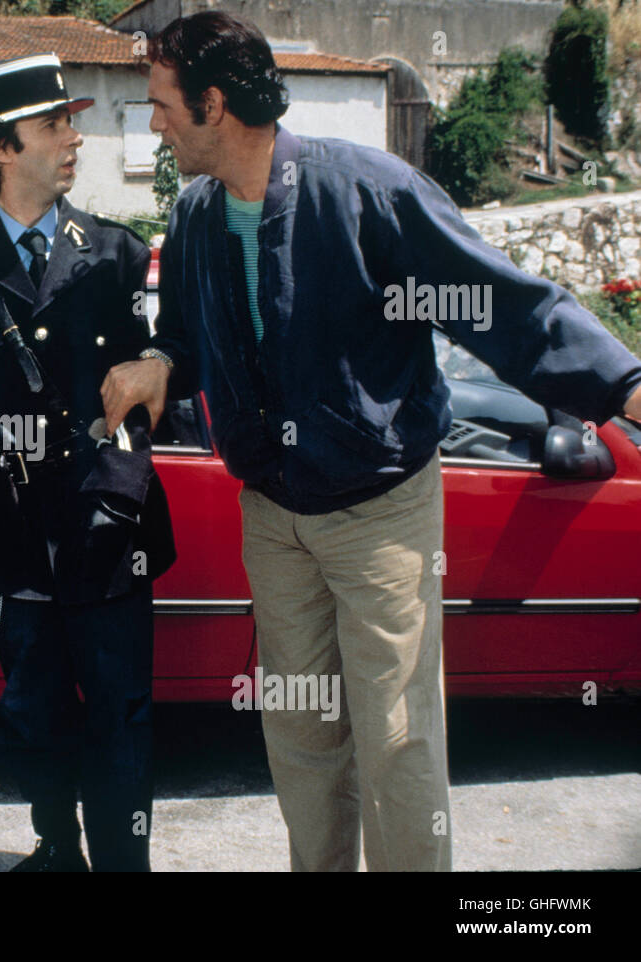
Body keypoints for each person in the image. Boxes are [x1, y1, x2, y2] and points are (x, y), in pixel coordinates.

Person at [102, 11, 641, 871]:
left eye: (161, 104)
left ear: (214, 103)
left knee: (396, 738)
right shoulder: (201, 214)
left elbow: (499, 301)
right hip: (273, 518)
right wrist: (162, 362)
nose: (154, 123)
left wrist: (623, 383)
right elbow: (190, 336)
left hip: (380, 513)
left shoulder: (367, 191)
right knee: (301, 729)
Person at [0, 54, 176, 872]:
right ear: (0, 149)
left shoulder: (117, 256)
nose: (74, 139)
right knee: (35, 706)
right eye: (52, 126)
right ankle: (58, 846)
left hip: (107, 522)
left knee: (121, 711)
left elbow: (154, 389)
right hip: (7, 525)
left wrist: (118, 487)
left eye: (71, 122)